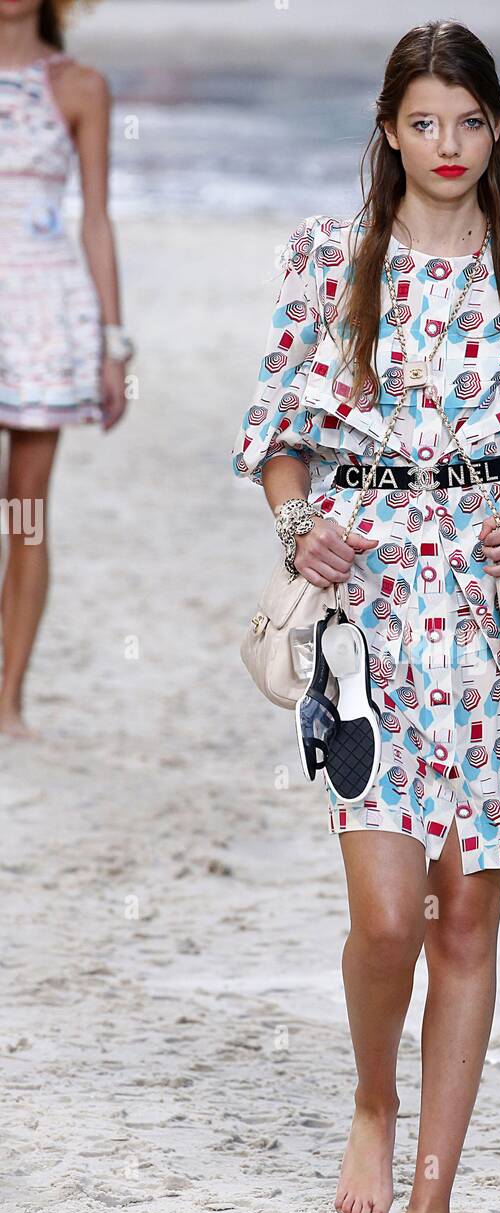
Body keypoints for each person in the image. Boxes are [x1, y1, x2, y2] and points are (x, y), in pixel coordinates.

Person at [231, 20, 500, 1213]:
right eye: (423, 122)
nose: (447, 146)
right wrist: (302, 526)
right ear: (389, 131)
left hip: (496, 623)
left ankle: (431, 1211)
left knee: (467, 920)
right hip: (369, 626)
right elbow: (271, 431)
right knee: (389, 917)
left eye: (468, 122)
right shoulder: (330, 258)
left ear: (495, 128)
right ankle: (373, 1102)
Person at [0, 0, 132, 738]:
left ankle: (8, 698)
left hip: (45, 309)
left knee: (23, 512)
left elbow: (96, 216)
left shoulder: (80, 86)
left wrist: (114, 343)